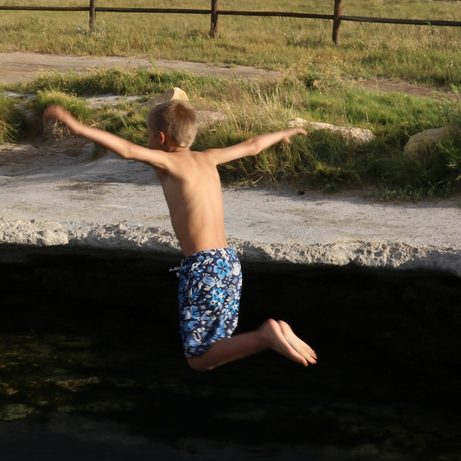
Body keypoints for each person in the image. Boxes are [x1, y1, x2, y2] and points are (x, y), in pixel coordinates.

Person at [43, 96, 318, 371]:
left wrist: (76, 126)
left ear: (161, 138)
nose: (147, 140)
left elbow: (126, 150)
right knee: (213, 349)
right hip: (228, 263)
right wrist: (283, 133)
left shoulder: (169, 163)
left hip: (203, 267)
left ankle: (267, 335)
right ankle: (274, 333)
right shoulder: (209, 158)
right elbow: (253, 146)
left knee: (198, 358)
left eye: (148, 135)